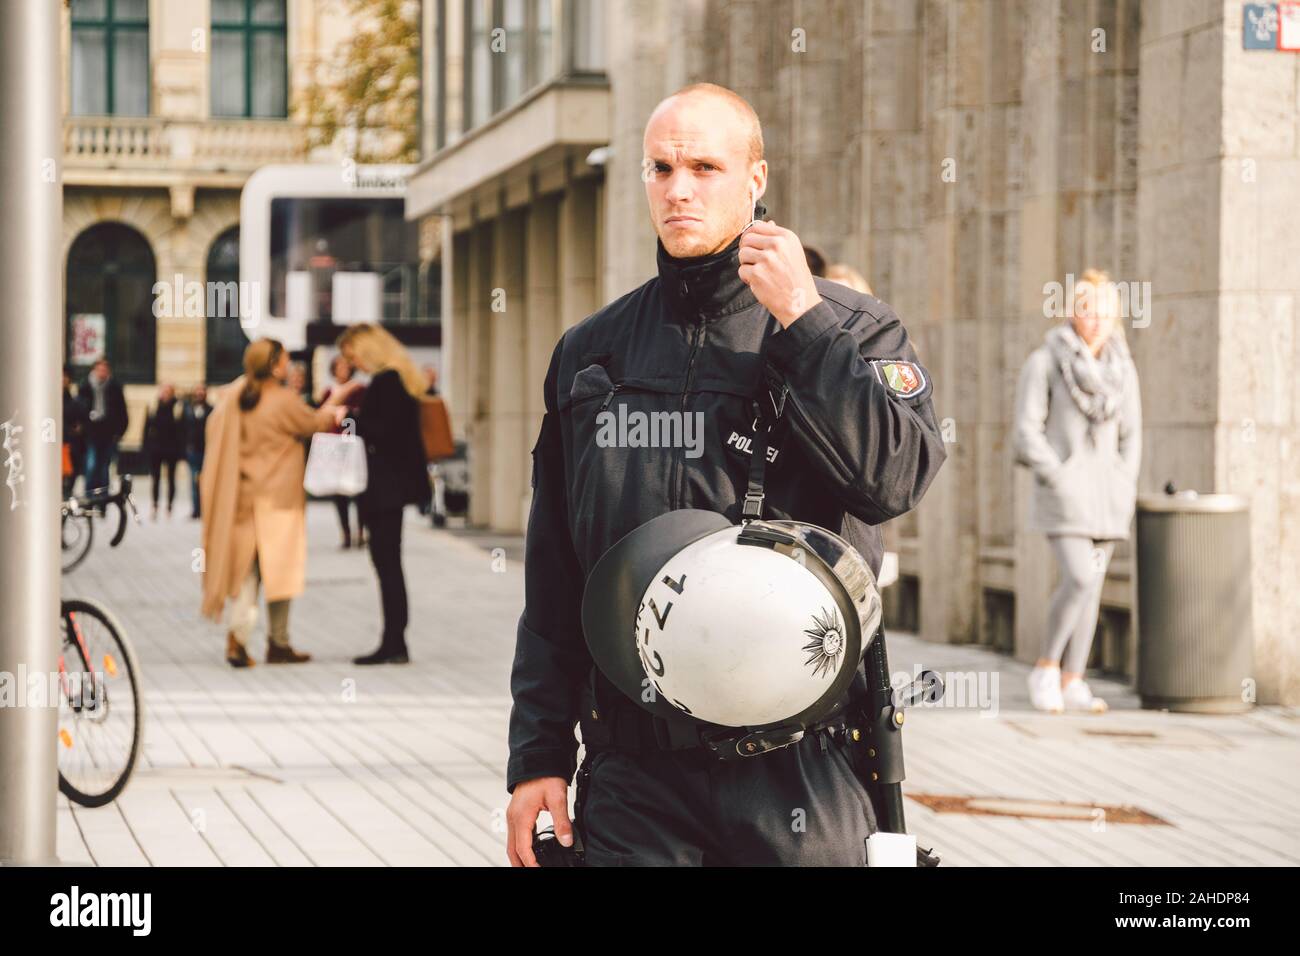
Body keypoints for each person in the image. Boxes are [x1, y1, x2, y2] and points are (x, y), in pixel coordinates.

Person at [505, 83, 947, 867]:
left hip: (798, 770)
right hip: (633, 772)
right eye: (661, 168)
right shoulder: (592, 353)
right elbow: (555, 572)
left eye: (705, 166)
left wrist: (805, 325)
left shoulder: (851, 327)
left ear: (756, 179)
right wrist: (537, 754)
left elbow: (894, 480)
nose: (679, 189)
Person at [1013, 269, 1141, 714]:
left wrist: (1124, 480)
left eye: (1104, 312)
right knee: (1080, 577)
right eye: (1088, 310)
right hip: (1065, 497)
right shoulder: (1044, 361)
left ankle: (1074, 679)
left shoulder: (1123, 370)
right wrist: (1060, 476)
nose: (1096, 320)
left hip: (1108, 498)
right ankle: (1045, 667)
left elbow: (1132, 436)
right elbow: (1026, 432)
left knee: (1092, 587)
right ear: (1072, 312)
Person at [199, 339, 357, 667]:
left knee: (247, 572)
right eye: (285, 360)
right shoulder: (283, 401)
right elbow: (314, 423)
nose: (289, 366)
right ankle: (278, 642)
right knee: (280, 571)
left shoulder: (238, 397)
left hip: (243, 498)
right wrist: (339, 401)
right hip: (278, 501)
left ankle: (238, 638)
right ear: (273, 365)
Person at [336, 324, 432, 665]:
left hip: (384, 487)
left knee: (386, 563)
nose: (355, 363)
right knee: (390, 561)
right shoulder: (401, 378)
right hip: (396, 486)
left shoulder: (386, 381)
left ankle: (393, 642)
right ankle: (395, 640)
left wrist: (351, 418)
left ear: (368, 350)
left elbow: (384, 433)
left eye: (353, 356)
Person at [320, 354, 367, 549]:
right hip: (335, 447)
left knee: (358, 489)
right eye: (338, 367)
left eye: (345, 366)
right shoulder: (329, 392)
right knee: (339, 492)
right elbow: (321, 415)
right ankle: (346, 533)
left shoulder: (359, 390)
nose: (342, 370)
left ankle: (361, 531)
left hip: (354, 444)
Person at [79, 358, 128, 493]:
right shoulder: (85, 386)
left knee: (104, 468)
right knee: (91, 465)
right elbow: (79, 409)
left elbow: (122, 412)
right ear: (94, 370)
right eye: (99, 370)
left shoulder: (114, 387)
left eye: (104, 370)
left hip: (108, 434)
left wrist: (119, 432)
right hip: (91, 433)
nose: (102, 373)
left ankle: (102, 500)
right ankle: (89, 497)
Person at [142, 384, 183, 519]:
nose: (165, 394)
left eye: (168, 391)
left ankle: (169, 507)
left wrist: (181, 450)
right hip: (156, 448)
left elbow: (183, 431)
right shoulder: (154, 406)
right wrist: (145, 447)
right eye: (163, 391)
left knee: (171, 479)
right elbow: (146, 428)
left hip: (172, 449)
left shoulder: (177, 407)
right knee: (156, 478)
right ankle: (154, 506)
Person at [182, 385, 212, 519]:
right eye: (198, 391)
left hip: (207, 451)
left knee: (206, 482)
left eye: (202, 391)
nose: (200, 393)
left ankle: (206, 509)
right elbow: (182, 430)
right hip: (193, 451)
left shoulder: (211, 410)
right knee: (194, 482)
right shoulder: (188, 410)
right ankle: (196, 510)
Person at [62, 366, 88, 499]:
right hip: (57, 447)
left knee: (67, 484)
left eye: (65, 376)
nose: (62, 379)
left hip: (69, 448)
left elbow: (80, 425)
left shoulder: (74, 403)